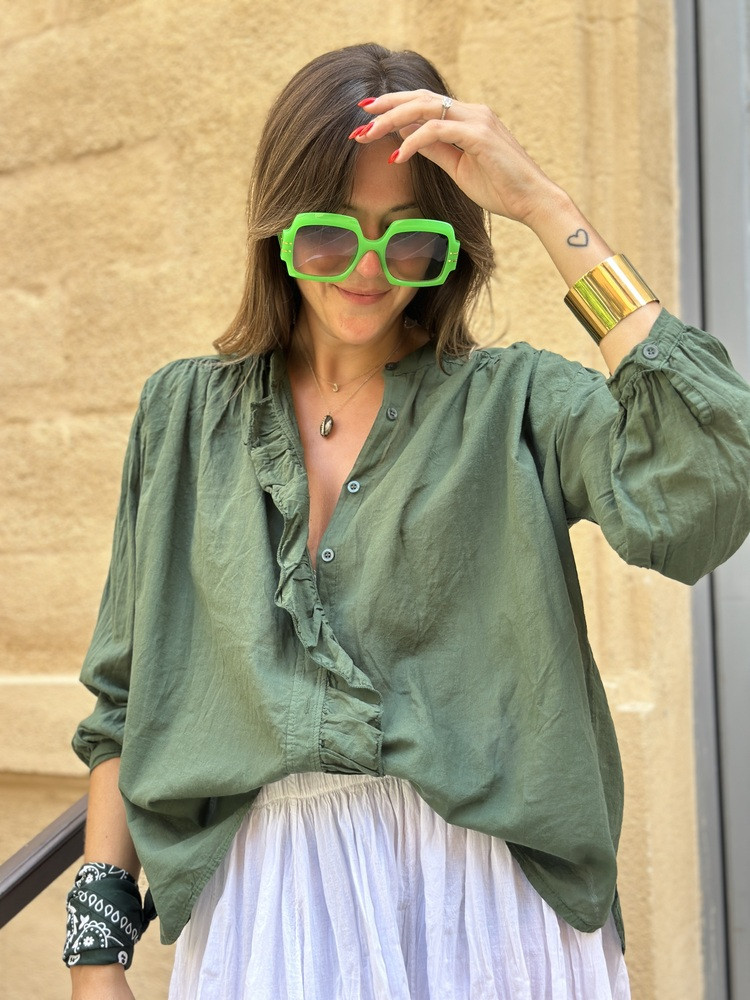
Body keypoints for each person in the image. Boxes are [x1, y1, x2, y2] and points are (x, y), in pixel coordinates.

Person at [64, 42, 750, 1000]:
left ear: (447, 251)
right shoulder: (182, 418)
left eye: (408, 239)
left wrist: (544, 205)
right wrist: (95, 955)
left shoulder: (515, 403)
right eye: (330, 234)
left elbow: (709, 482)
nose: (367, 267)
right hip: (271, 918)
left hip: (489, 912)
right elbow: (126, 701)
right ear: (279, 231)